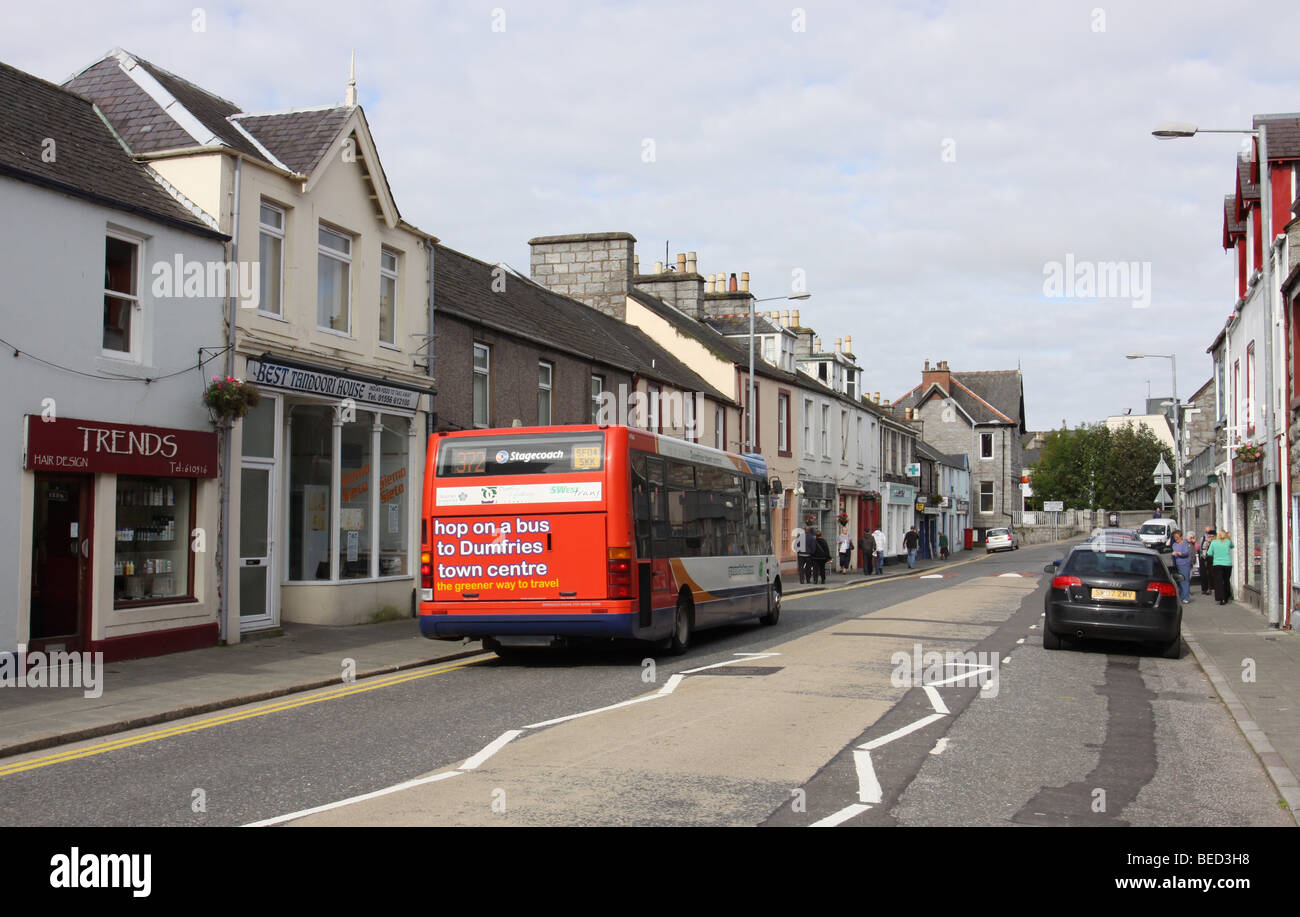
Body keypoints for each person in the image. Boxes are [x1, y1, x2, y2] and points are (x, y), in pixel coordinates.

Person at [1208, 529, 1234, 605]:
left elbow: (1209, 553)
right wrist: (1228, 537)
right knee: (1226, 580)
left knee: (1218, 582)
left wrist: (1215, 555)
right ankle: (1226, 596)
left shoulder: (1214, 542)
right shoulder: (1228, 541)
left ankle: (1221, 598)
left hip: (1217, 564)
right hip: (1227, 564)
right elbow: (1232, 546)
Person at [1171, 530, 1192, 603]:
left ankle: (1186, 597)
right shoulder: (1174, 545)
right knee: (1179, 581)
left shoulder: (1185, 543)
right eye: (1175, 537)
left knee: (1185, 580)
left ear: (1181, 536)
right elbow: (1173, 555)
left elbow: (1186, 553)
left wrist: (1177, 553)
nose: (1176, 538)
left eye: (1177, 537)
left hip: (1185, 564)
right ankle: (1181, 597)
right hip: (1177, 564)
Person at [1200, 526, 1215, 595]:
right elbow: (1200, 548)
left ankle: (1212, 588)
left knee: (1211, 573)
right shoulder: (1202, 538)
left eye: (1209, 531)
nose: (1208, 533)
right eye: (1206, 532)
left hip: (1211, 558)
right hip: (1204, 557)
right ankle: (1204, 588)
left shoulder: (1214, 539)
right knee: (1203, 573)